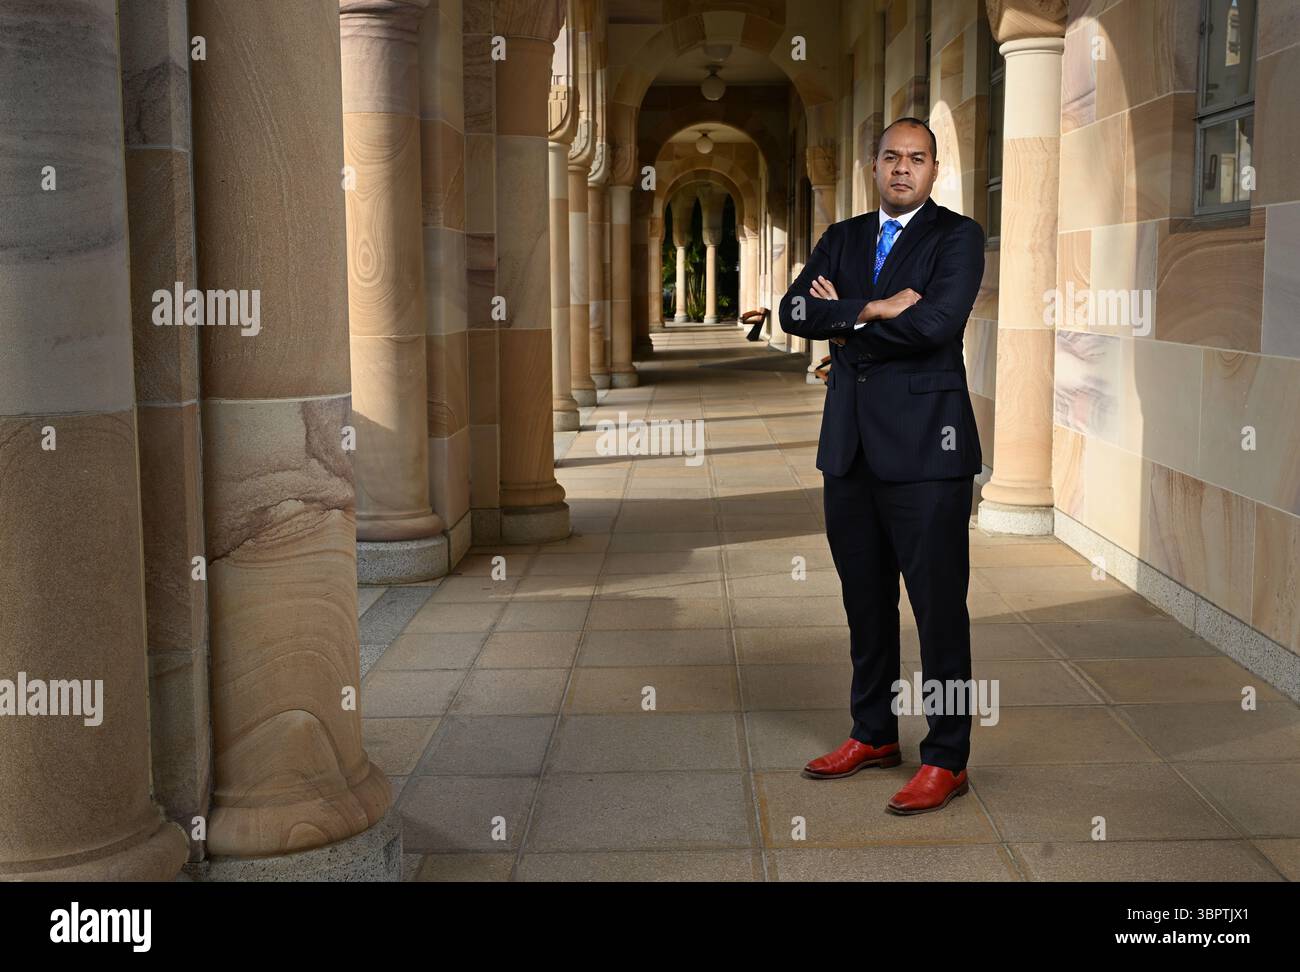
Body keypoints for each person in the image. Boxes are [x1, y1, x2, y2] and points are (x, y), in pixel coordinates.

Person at [778, 117, 985, 815]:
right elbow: (794, 309)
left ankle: (947, 757)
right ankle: (872, 733)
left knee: (938, 611)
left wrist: (847, 321)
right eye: (892, 157)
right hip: (850, 452)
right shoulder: (842, 237)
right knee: (864, 604)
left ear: (933, 169)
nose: (903, 168)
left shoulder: (956, 237)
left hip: (930, 452)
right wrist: (878, 308)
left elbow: (937, 326)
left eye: (917, 159)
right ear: (874, 166)